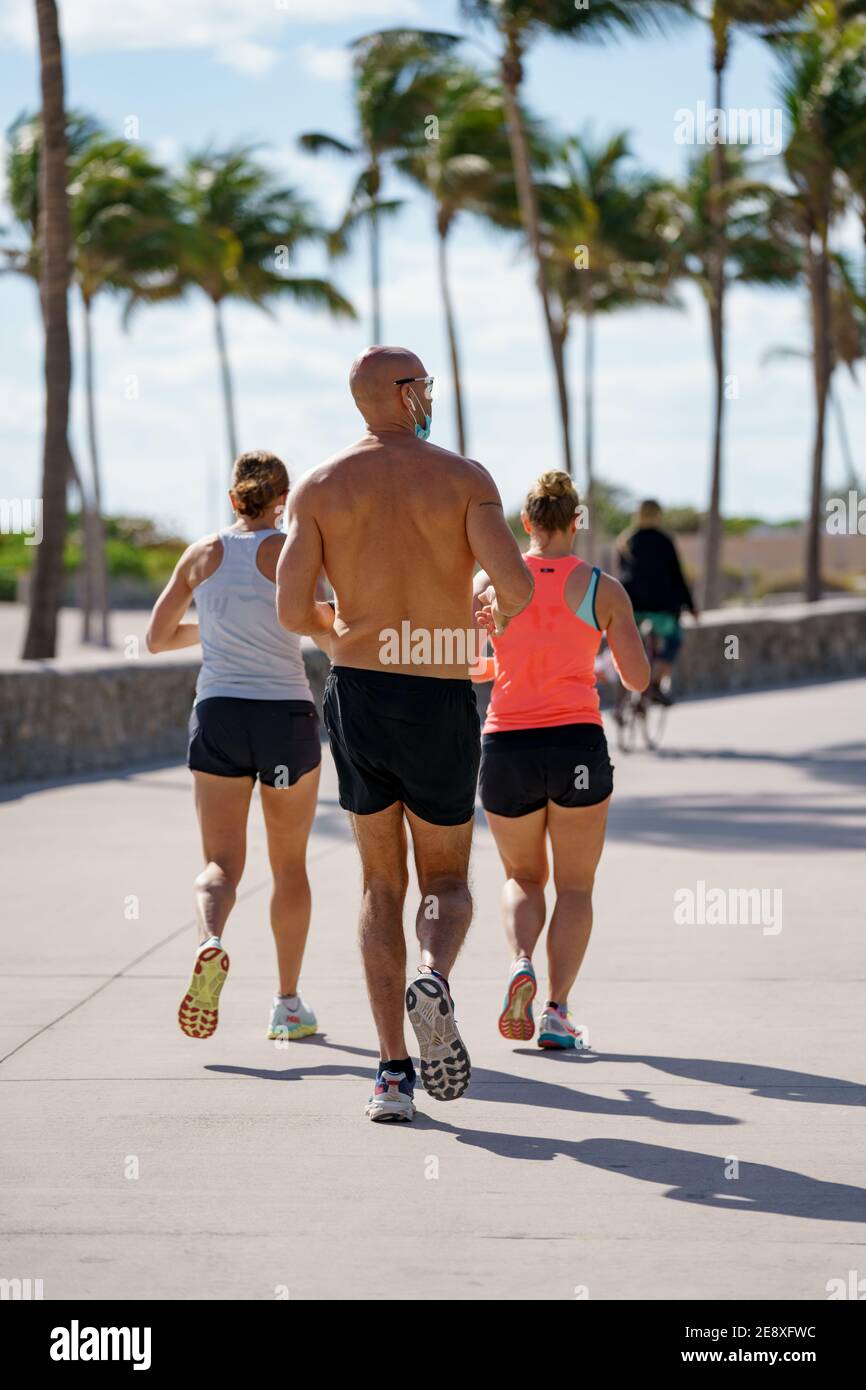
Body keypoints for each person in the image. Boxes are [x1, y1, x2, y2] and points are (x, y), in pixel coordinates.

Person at [275, 345, 533, 1122]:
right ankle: (434, 974)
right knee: (446, 883)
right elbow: (516, 586)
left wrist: (344, 630)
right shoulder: (463, 478)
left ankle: (391, 1076)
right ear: (401, 392)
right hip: (440, 687)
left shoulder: (320, 486)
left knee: (378, 885)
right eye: (421, 383)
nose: (428, 394)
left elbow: (293, 612)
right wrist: (485, 605)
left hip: (358, 692)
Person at [146, 451, 322, 1044]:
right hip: (285, 718)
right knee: (289, 866)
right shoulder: (290, 553)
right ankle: (287, 1004)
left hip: (219, 712)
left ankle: (211, 941)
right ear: (284, 500)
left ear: (232, 497)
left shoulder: (202, 553)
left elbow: (156, 638)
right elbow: (324, 627)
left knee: (220, 865)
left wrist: (219, 626)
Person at [473, 471, 650, 1050]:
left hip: (507, 745)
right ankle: (554, 1011)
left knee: (523, 878)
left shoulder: (490, 584)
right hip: (576, 743)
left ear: (526, 523)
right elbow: (639, 679)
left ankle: (520, 962)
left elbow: (469, 668)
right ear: (576, 523)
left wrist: (503, 654)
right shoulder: (604, 588)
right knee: (575, 887)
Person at [616, 499, 699, 704]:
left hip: (632, 605)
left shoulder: (626, 540)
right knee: (673, 640)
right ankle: (655, 683)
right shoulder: (664, 540)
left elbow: (622, 574)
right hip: (662, 606)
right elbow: (676, 576)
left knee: (627, 644)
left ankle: (623, 697)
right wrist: (691, 606)